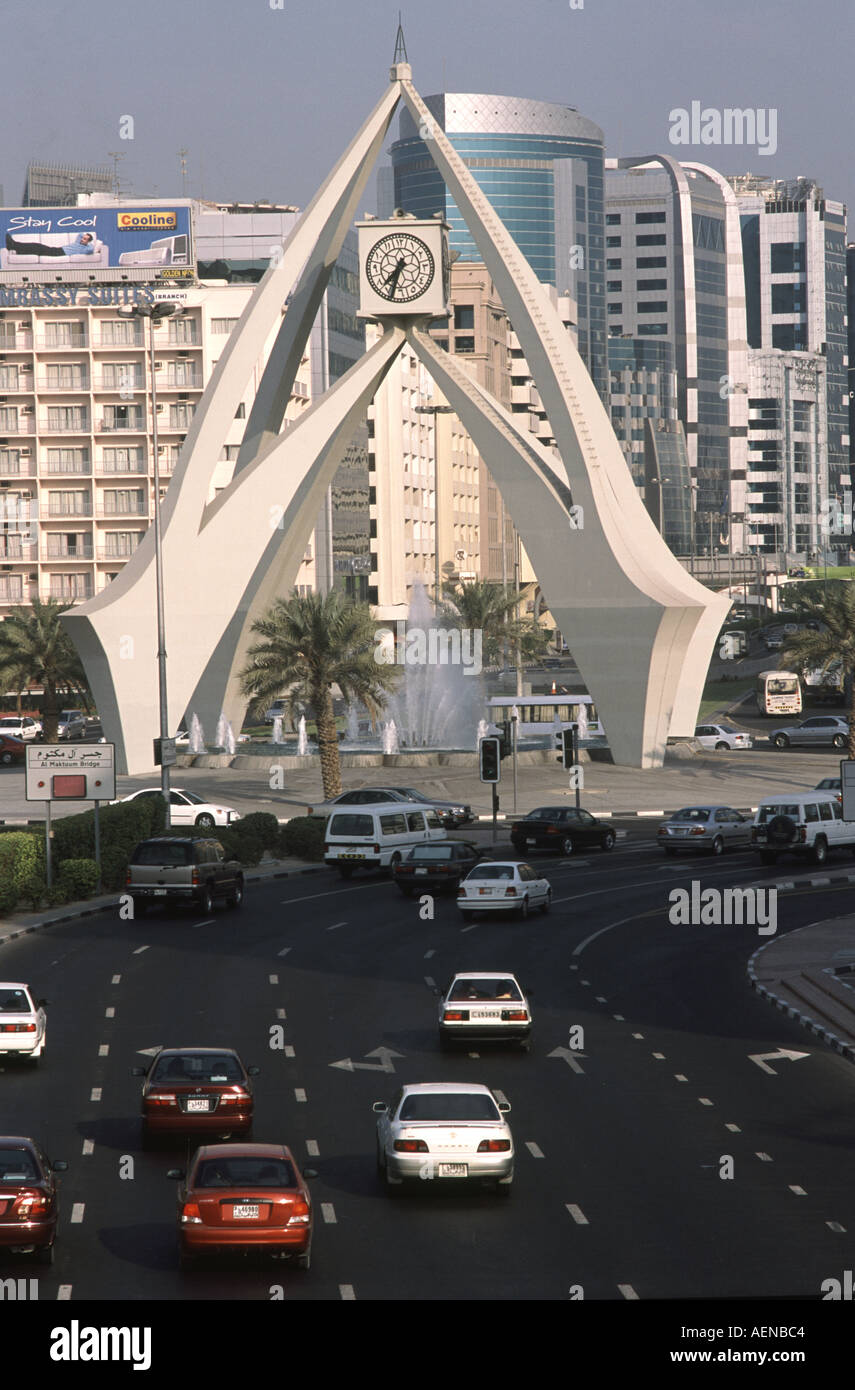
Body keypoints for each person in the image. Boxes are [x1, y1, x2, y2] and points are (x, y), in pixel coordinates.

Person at [5, 230, 96, 258]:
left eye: (85, 239)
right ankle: (15, 247)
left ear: (88, 241)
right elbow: (80, 234)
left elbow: (91, 249)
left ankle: (14, 245)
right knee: (36, 246)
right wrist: (85, 235)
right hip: (57, 249)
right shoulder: (78, 242)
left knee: (36, 247)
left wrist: (89, 242)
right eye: (83, 238)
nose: (82, 239)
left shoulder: (85, 248)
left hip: (60, 253)